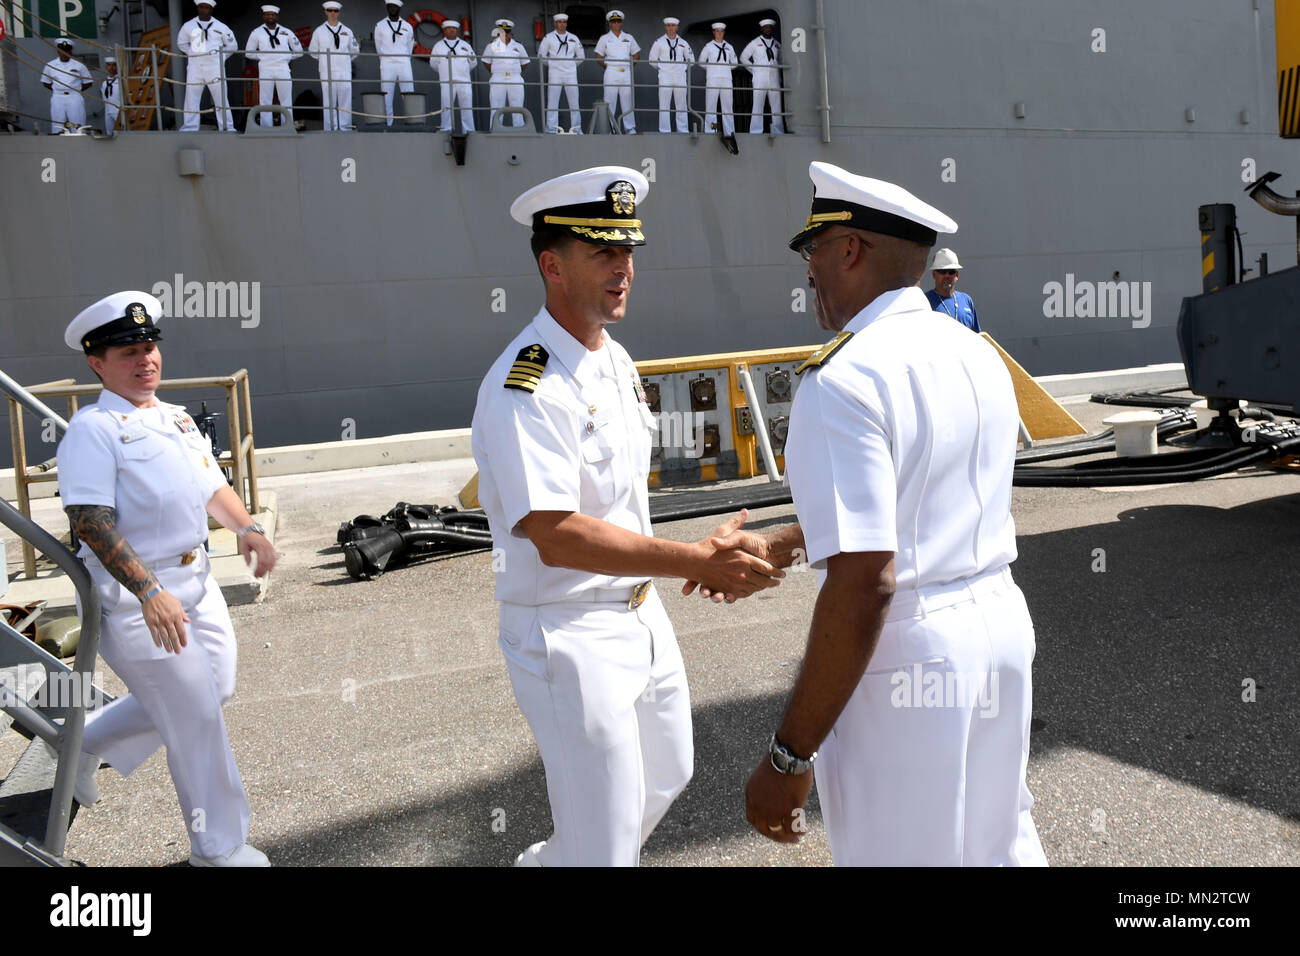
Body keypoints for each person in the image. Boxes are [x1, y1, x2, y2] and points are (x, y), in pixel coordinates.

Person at [729, 162, 1047, 866]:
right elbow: (921, 492)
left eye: (812, 250)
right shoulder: (976, 355)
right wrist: (794, 536)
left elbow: (865, 582)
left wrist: (788, 758)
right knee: (997, 842)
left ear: (848, 250)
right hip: (999, 627)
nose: (807, 270)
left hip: (909, 655)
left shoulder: (841, 378)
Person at [471, 166, 783, 866]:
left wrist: (687, 562)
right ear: (553, 265)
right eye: (603, 254)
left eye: (628, 251)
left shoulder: (615, 361)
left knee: (668, 773)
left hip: (639, 613)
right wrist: (695, 560)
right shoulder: (525, 385)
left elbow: (618, 507)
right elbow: (555, 535)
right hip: (568, 633)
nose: (624, 269)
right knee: (607, 839)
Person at [56, 291, 277, 866]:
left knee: (217, 685)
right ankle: (219, 848)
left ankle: (84, 743)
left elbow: (210, 486)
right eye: (128, 351)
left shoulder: (173, 417)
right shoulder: (92, 429)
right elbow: (89, 522)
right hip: (138, 601)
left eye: (149, 346)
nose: (144, 359)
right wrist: (149, 591)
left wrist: (247, 527)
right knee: (195, 714)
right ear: (97, 363)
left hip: (196, 583)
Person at [177, 1, 237, 132]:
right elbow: (182, 44)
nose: (204, 10)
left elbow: (232, 46)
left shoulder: (221, 27)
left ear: (211, 9)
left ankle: (227, 127)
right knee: (191, 97)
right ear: (198, 8)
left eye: (207, 8)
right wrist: (194, 54)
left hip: (215, 67)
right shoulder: (188, 26)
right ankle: (190, 127)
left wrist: (219, 58)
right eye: (201, 7)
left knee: (221, 97)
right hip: (195, 66)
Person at [246, 5, 303, 127]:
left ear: (277, 16)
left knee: (286, 99)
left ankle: (287, 125)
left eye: (273, 14)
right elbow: (249, 52)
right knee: (265, 99)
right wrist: (263, 56)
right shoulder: (257, 32)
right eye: (267, 14)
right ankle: (266, 126)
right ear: (263, 16)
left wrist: (286, 57)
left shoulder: (286, 32)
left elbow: (299, 51)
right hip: (265, 68)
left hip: (283, 68)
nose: (270, 16)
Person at [310, 1, 361, 131]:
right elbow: (313, 51)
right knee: (329, 101)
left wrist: (342, 60)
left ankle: (345, 128)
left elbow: (354, 51)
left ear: (338, 12)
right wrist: (325, 60)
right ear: (326, 12)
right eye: (330, 10)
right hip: (327, 71)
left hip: (344, 71)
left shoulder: (347, 31)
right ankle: (330, 128)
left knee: (345, 100)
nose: (333, 13)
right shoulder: (319, 31)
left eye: (335, 11)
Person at [594, 10, 639, 133]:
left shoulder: (629, 38)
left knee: (627, 100)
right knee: (610, 101)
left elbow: (636, 54)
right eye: (613, 21)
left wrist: (630, 65)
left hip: (626, 71)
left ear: (621, 23)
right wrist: (608, 66)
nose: (616, 23)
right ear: (610, 23)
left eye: (618, 21)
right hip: (611, 72)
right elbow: (598, 56)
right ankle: (610, 128)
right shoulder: (604, 38)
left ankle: (630, 128)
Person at [537, 13, 582, 133]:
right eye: (559, 22)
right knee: (552, 102)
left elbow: (581, 56)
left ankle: (577, 129)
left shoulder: (573, 38)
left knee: (574, 103)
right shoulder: (549, 38)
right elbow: (541, 56)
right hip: (555, 74)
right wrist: (552, 64)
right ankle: (551, 129)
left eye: (563, 22)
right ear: (555, 23)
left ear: (566, 23)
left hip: (570, 74)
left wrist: (571, 65)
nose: (561, 24)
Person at [429, 19, 475, 133]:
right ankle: (446, 128)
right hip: (446, 81)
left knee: (467, 107)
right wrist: (444, 72)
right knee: (446, 107)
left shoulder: (465, 45)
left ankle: (468, 130)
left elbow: (473, 63)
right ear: (445, 30)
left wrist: (462, 71)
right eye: (449, 28)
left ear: (457, 30)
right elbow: (434, 64)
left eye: (454, 29)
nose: (451, 30)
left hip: (463, 81)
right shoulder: (438, 46)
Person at [648, 17, 693, 134]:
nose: (671, 28)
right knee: (664, 105)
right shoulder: (659, 42)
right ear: (665, 27)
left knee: (681, 105)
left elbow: (691, 60)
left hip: (680, 77)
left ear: (677, 27)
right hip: (665, 77)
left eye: (673, 25)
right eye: (668, 25)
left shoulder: (683, 43)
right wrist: (662, 68)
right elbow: (652, 60)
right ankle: (664, 130)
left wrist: (682, 68)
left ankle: (682, 130)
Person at [481, 19, 529, 129]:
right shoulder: (491, 46)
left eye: (507, 32)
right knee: (496, 107)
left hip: (515, 78)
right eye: (502, 32)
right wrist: (497, 71)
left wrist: (515, 72)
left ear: (510, 33)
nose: (505, 34)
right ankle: (495, 130)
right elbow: (486, 61)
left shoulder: (518, 46)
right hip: (498, 78)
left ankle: (519, 129)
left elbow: (524, 63)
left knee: (517, 107)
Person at [373, 1, 415, 126]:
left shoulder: (407, 26)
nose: (392, 9)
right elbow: (378, 47)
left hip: (404, 62)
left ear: (399, 8)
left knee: (408, 93)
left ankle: (412, 122)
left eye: (395, 7)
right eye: (390, 7)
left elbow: (410, 46)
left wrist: (404, 58)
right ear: (387, 8)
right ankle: (388, 123)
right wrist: (386, 58)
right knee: (387, 95)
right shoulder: (380, 25)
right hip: (387, 62)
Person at [40, 38, 93, 134]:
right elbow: (45, 82)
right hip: (58, 97)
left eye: (67, 50)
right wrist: (58, 90)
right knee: (57, 124)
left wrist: (76, 90)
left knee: (77, 125)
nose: (64, 53)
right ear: (58, 51)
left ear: (70, 52)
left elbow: (88, 82)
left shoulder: (79, 66)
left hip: (74, 97)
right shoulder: (50, 65)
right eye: (62, 51)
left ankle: (80, 145)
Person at [740, 18, 784, 134]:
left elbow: (781, 60)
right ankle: (755, 131)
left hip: (774, 78)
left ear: (772, 29)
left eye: (769, 27)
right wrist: (754, 70)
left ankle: (778, 130)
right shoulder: (755, 43)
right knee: (758, 104)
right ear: (762, 29)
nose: (767, 29)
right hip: (760, 78)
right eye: (765, 27)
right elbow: (743, 57)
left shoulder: (777, 44)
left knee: (776, 106)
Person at [925, 248, 981, 332]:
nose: (947, 275)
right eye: (942, 271)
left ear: (957, 275)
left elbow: (977, 335)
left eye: (951, 272)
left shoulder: (966, 300)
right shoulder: (925, 301)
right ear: (934, 274)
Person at [698, 22, 736, 137]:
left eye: (721, 31)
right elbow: (701, 62)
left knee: (728, 107)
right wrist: (712, 69)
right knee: (711, 107)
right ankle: (711, 130)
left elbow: (734, 63)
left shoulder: (729, 47)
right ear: (714, 32)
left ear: (723, 33)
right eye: (717, 31)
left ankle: (729, 132)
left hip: (726, 79)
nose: (719, 33)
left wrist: (724, 69)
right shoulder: (708, 47)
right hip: (713, 79)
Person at [101, 56, 122, 134]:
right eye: (109, 65)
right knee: (109, 133)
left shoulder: (121, 81)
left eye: (114, 65)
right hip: (108, 111)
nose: (111, 68)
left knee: (122, 133)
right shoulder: (104, 83)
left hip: (118, 111)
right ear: (106, 67)